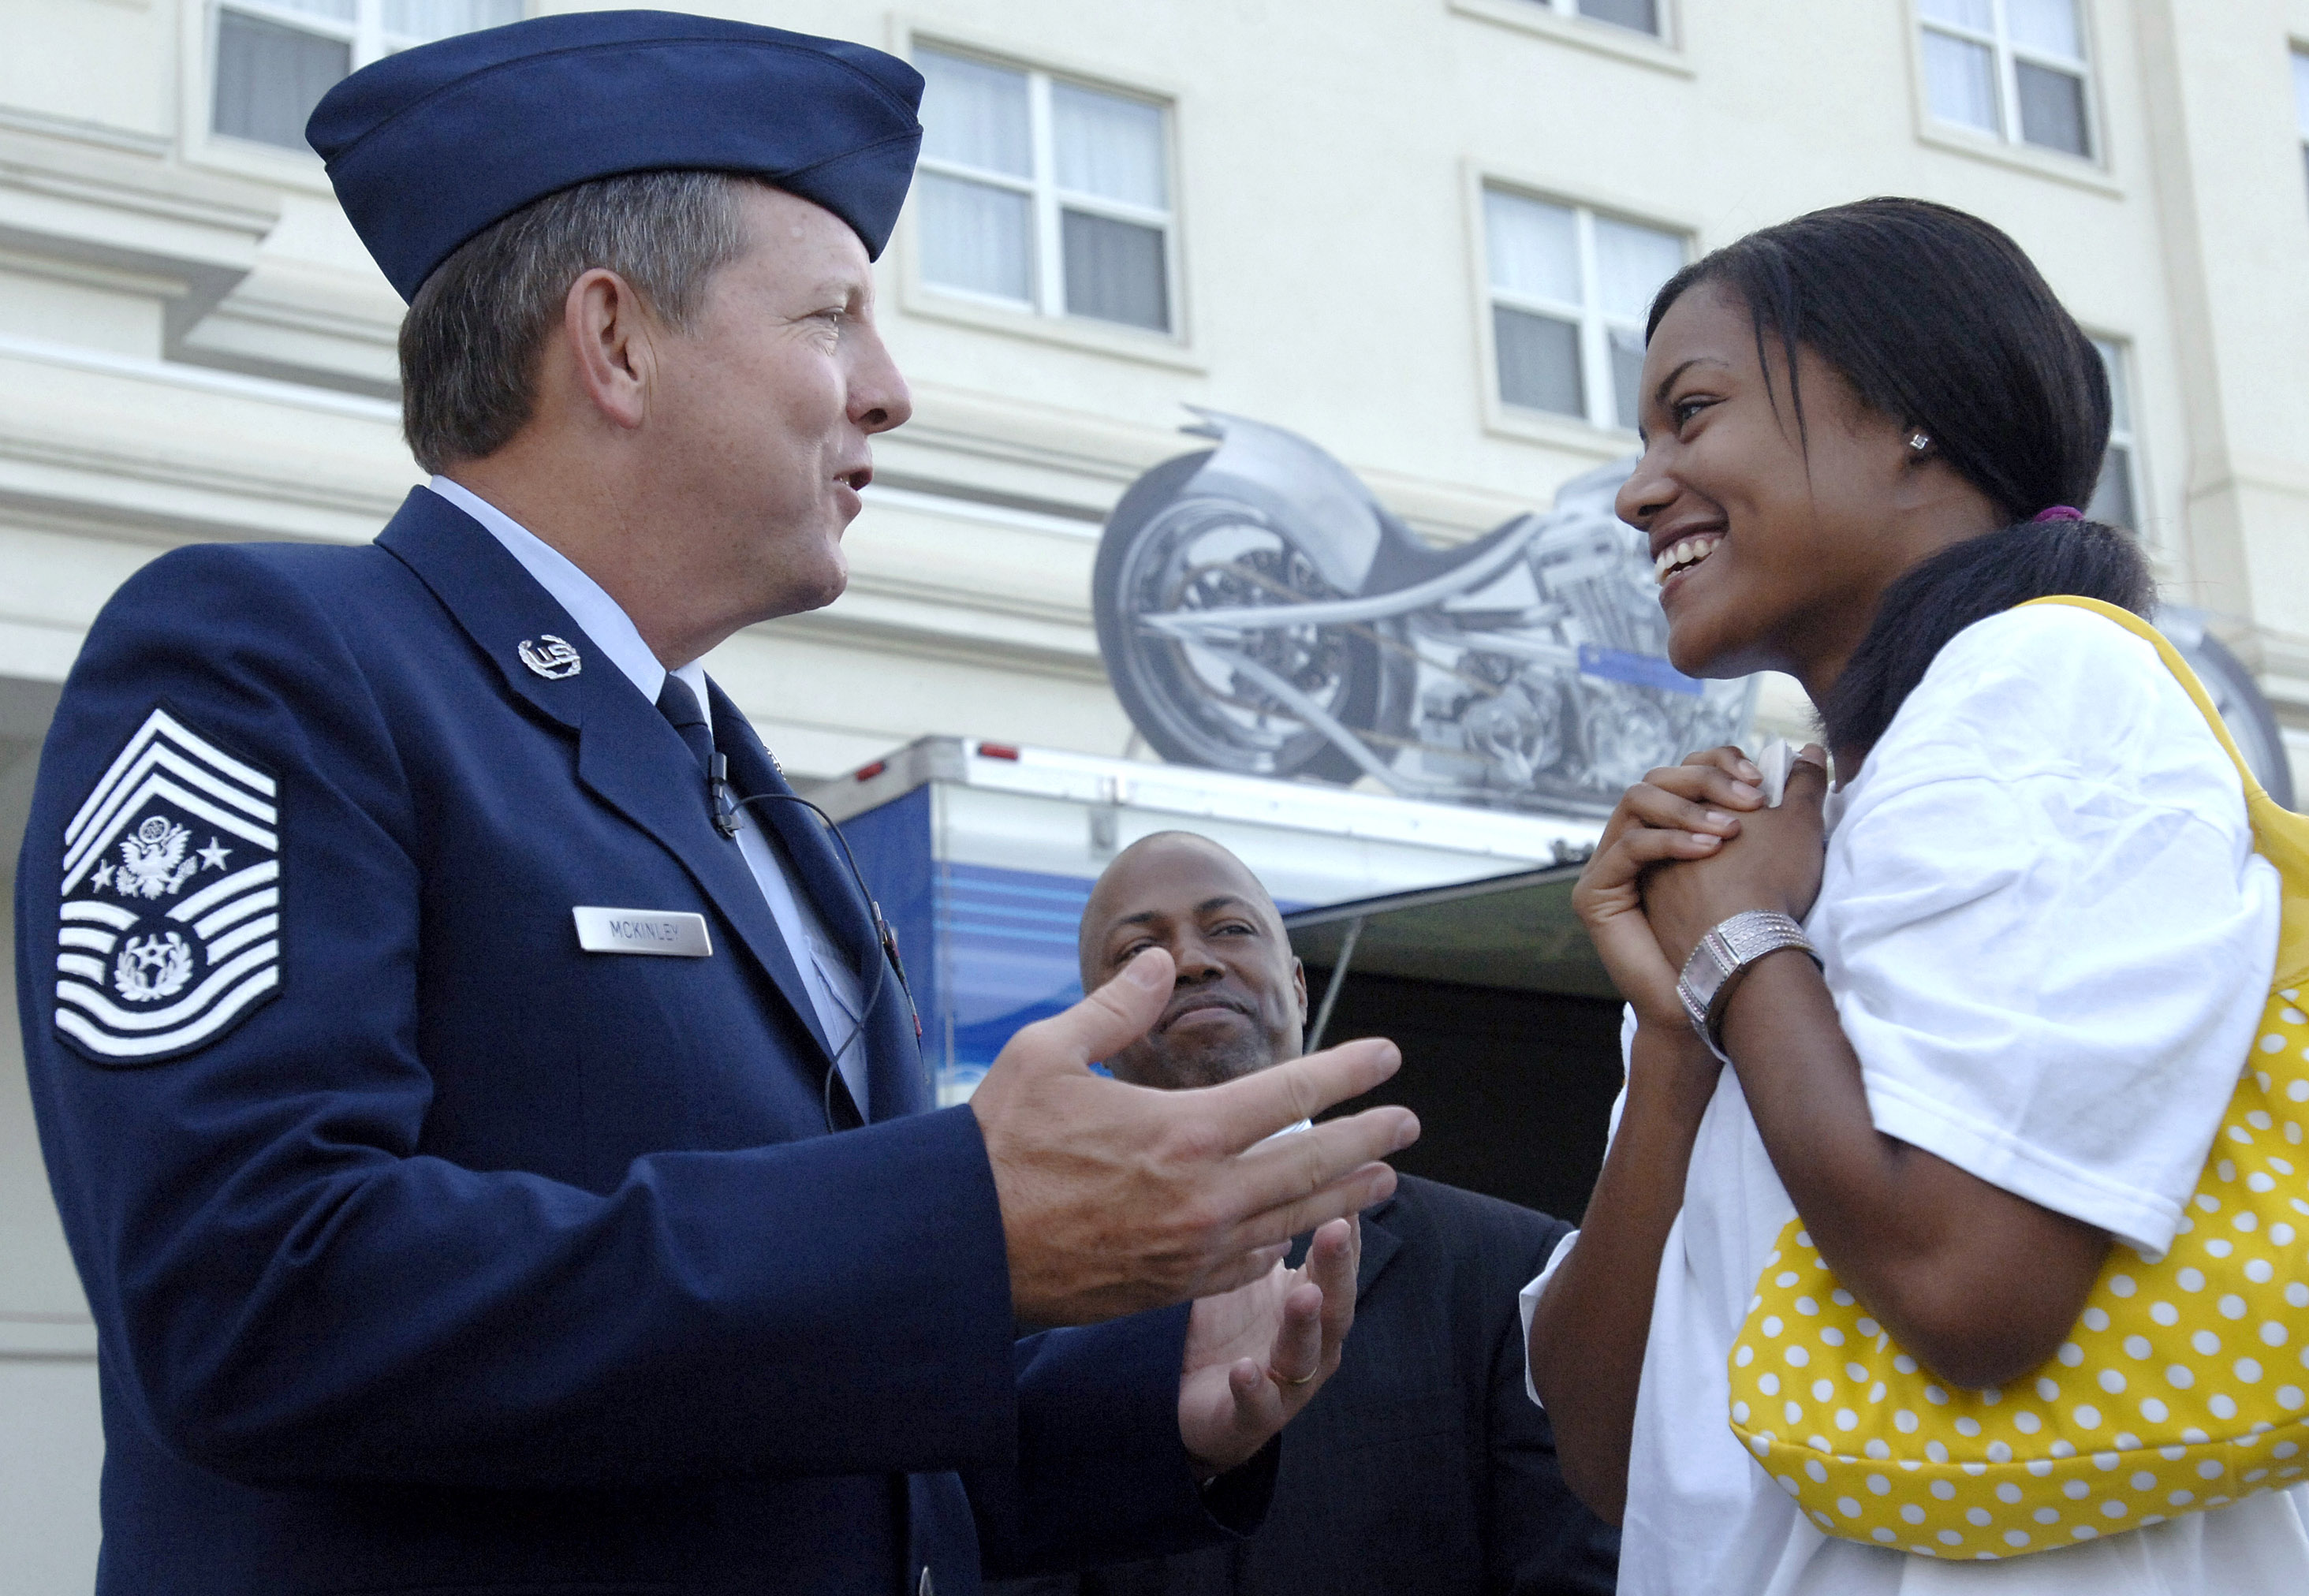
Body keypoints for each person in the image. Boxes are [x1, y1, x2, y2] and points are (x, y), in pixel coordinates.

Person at [12, 14, 1424, 1594]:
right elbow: (256, 1297)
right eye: (833, 318)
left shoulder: (765, 816)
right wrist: (959, 1230)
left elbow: (806, 1428)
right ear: (614, 340)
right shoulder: (266, 665)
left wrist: (1149, 1407)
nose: (890, 394)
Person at [1523, 196, 2309, 1594]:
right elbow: (1608, 1444)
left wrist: (1744, 952)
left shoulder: (2043, 689)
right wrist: (1671, 1035)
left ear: (1909, 417)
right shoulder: (1787, 832)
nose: (1637, 489)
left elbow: (1969, 1287)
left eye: (1688, 413)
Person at [991, 832, 1620, 1596]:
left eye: (1229, 928)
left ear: (1298, 985)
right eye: (1136, 952)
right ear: (1095, 1026)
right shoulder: (1024, 1293)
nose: (1192, 960)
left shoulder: (1508, 1267)